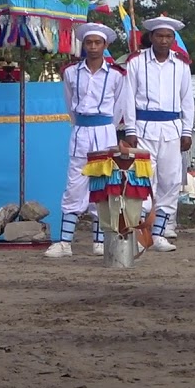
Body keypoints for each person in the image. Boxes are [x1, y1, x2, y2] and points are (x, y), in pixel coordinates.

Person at [44, 23, 137, 259]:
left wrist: (108, 128)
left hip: (105, 130)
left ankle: (99, 241)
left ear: (105, 45)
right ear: (83, 45)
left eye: (97, 42)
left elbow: (119, 107)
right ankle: (65, 242)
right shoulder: (71, 72)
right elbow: (69, 104)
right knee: (75, 184)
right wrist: (82, 124)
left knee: (104, 185)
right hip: (81, 131)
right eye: (89, 42)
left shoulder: (117, 75)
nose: (93, 47)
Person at [126, 16, 195, 253]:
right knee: (144, 181)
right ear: (151, 37)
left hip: (172, 129)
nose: (164, 41)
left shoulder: (181, 64)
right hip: (144, 128)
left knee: (170, 181)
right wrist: (130, 129)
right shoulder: (136, 62)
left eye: (168, 36)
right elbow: (128, 97)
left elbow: (187, 100)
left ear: (173, 39)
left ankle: (159, 234)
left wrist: (187, 130)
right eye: (159, 36)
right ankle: (140, 232)